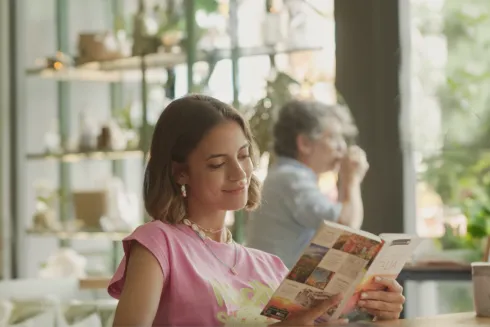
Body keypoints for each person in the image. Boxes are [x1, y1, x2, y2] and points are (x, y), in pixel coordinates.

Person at [108, 95, 404, 327]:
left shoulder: (269, 266)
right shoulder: (159, 244)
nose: (239, 174)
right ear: (180, 173)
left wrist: (380, 313)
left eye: (243, 155)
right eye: (217, 163)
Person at [246, 100, 368, 269]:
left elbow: (336, 227)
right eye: (333, 137)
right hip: (275, 289)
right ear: (304, 144)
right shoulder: (291, 179)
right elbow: (346, 228)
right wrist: (351, 179)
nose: (343, 147)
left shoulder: (286, 175)